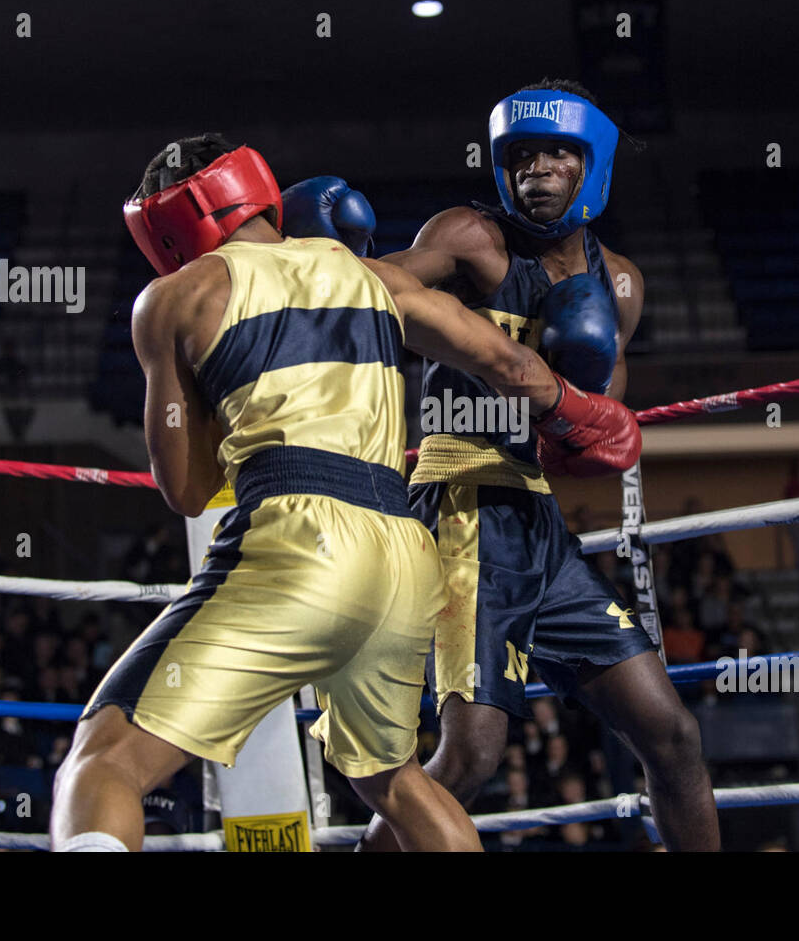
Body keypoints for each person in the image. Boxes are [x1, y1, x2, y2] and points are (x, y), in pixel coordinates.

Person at [50, 133, 641, 852]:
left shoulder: (177, 297)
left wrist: (224, 406)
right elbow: (509, 363)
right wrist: (582, 416)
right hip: (399, 552)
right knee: (393, 778)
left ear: (168, 226)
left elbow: (186, 489)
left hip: (294, 541)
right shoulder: (372, 277)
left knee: (103, 760)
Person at [290, 80, 717, 850]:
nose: (538, 170)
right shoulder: (470, 237)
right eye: (522, 156)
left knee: (672, 736)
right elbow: (387, 286)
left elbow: (598, 428)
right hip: (460, 506)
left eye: (558, 152)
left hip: (538, 524)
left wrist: (578, 403)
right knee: (468, 757)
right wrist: (331, 257)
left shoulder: (619, 283)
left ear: (594, 161)